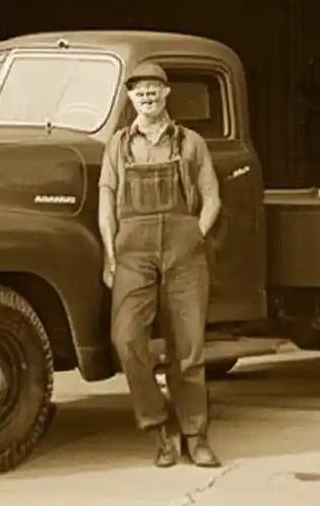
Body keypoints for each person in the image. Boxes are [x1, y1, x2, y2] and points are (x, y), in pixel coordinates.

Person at [98, 63, 223, 469]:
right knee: (127, 340)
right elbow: (106, 207)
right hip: (132, 251)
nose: (147, 97)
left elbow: (212, 197)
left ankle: (195, 435)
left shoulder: (190, 142)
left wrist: (194, 236)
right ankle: (159, 426)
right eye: (139, 92)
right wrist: (110, 256)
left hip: (183, 248)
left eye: (154, 90)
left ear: (166, 94)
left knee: (188, 349)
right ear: (130, 98)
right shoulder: (117, 146)